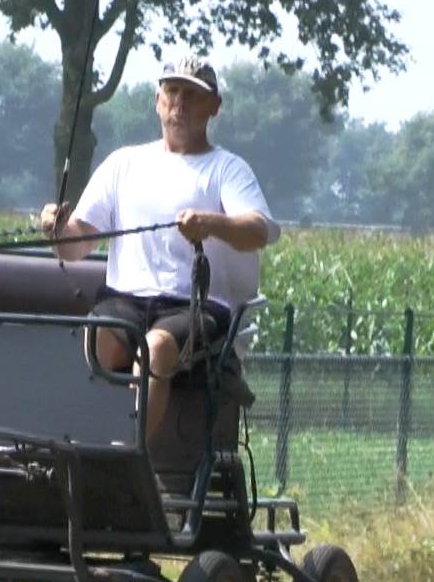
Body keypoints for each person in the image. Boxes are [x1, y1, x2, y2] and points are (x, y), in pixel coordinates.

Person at [40, 54, 280, 444]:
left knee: (155, 348)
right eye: (172, 92)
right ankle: (80, 444)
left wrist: (211, 223)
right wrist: (56, 229)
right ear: (157, 100)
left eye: (192, 95)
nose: (179, 104)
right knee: (98, 338)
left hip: (197, 307)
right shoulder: (124, 164)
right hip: (125, 301)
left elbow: (258, 230)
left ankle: (131, 456)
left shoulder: (228, 170)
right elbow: (77, 244)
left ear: (214, 107)